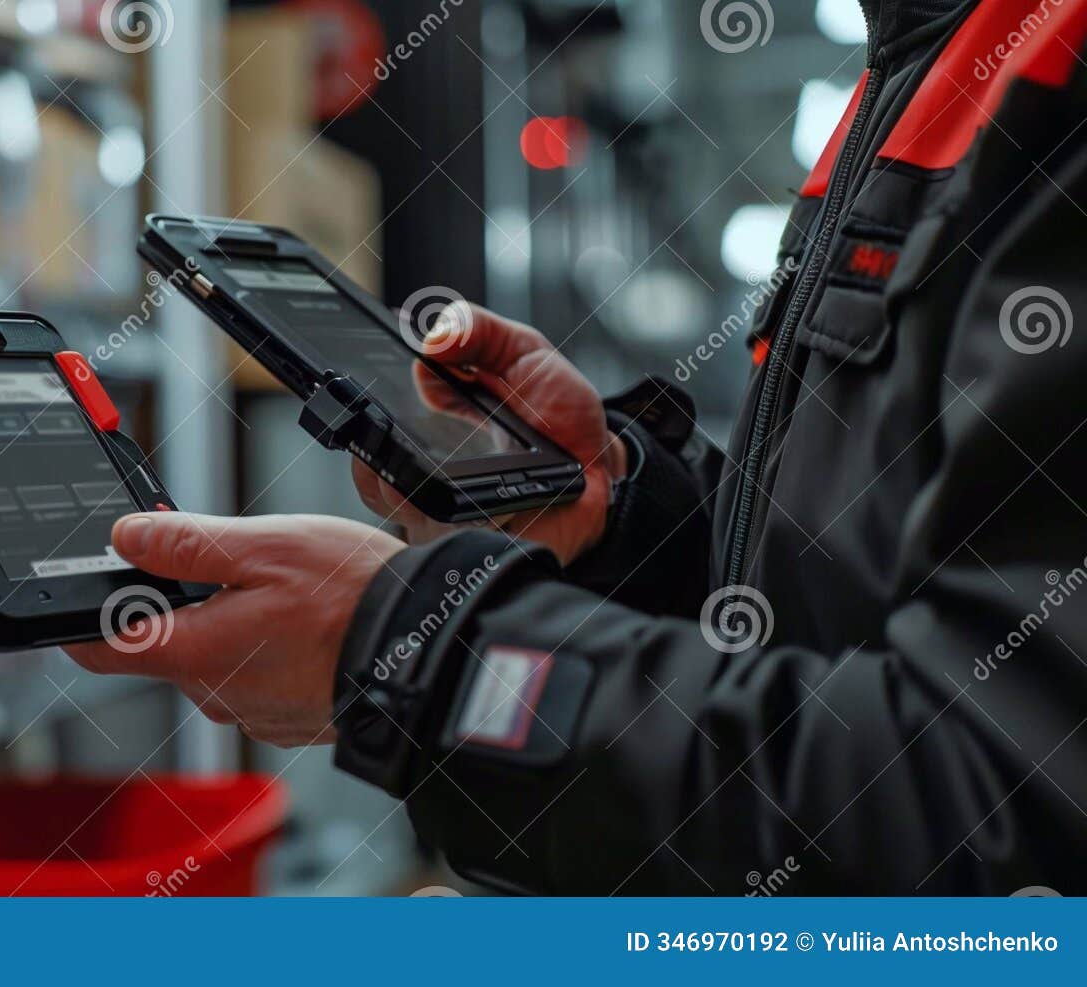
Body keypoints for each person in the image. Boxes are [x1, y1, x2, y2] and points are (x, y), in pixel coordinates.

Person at [69, 0, 1087, 894]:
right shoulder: (918, 60)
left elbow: (998, 808)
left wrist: (416, 655)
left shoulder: (1051, 66)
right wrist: (620, 522)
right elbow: (845, 609)